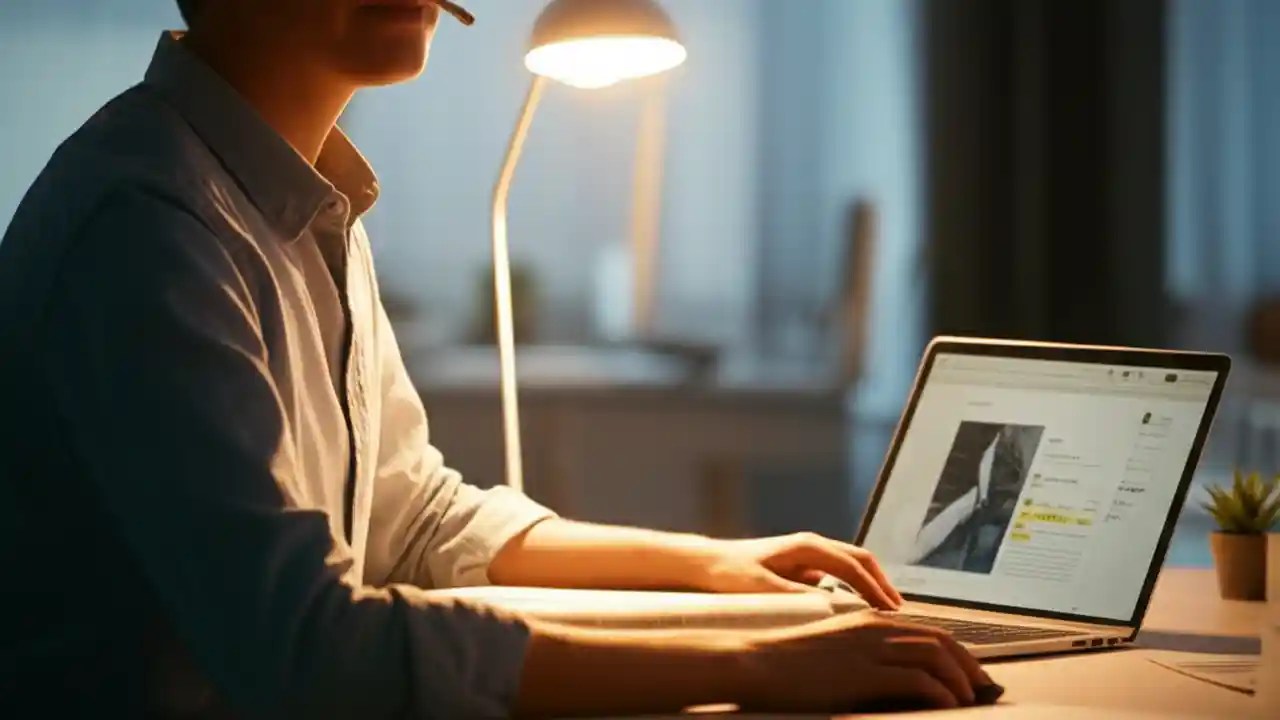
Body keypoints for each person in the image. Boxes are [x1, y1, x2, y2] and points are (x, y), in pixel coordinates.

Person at [0, 1, 994, 716]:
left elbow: (413, 516)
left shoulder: (292, 201)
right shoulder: (147, 227)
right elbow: (303, 648)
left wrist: (713, 566)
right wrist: (749, 668)